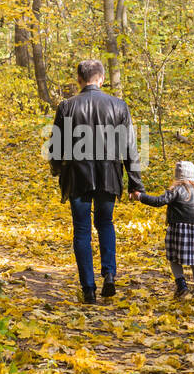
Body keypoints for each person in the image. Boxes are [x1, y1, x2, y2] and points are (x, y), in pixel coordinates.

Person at [47, 58, 144, 303]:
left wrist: (57, 169)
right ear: (101, 79)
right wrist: (135, 183)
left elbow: (56, 145)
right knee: (105, 224)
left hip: (77, 177)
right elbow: (130, 147)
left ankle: (88, 288)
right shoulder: (119, 106)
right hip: (109, 176)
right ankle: (109, 274)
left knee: (81, 230)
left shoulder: (67, 106)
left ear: (79, 80)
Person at [132, 161, 194, 298]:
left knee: (174, 258)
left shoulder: (175, 190)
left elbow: (158, 201)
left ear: (177, 176)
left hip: (179, 230)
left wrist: (140, 196)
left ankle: (181, 285)